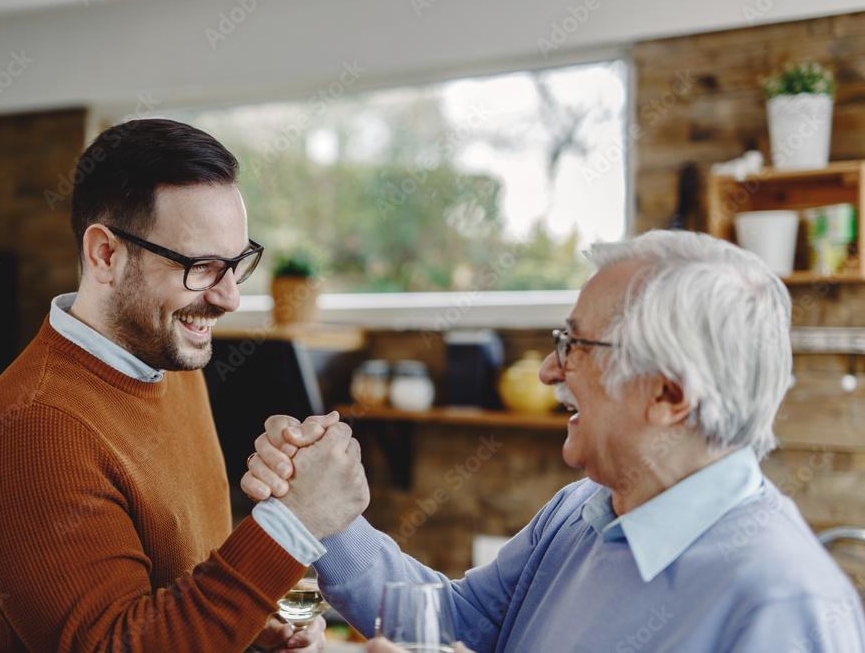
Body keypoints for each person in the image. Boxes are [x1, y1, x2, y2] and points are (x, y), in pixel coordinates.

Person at [244, 230, 865, 651]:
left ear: (671, 395)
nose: (547, 370)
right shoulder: (580, 510)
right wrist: (324, 515)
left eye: (576, 347)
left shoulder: (787, 606)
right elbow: (455, 622)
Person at [0, 118, 368, 653]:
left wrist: (247, 627)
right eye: (201, 266)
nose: (229, 297)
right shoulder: (33, 430)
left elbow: (173, 598)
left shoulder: (169, 363)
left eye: (236, 264)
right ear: (106, 254)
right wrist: (292, 524)